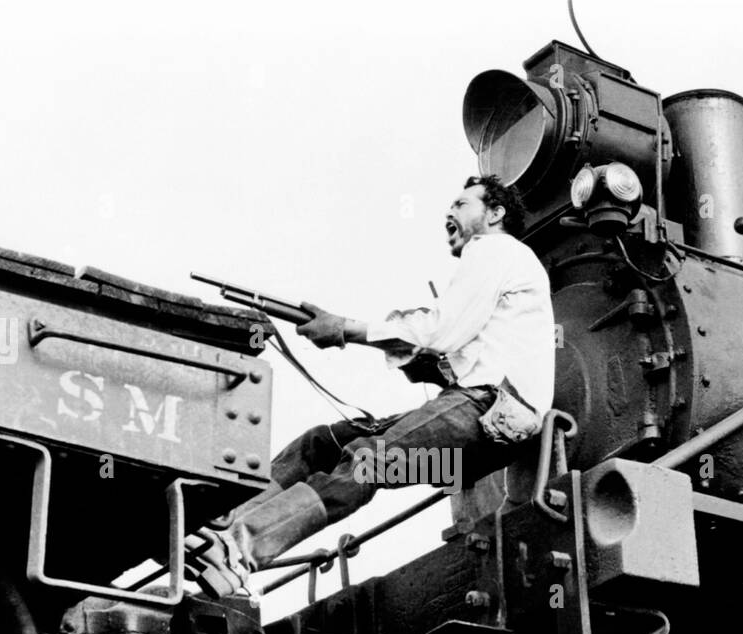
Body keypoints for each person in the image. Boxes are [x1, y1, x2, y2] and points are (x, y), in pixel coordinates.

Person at [189, 174, 555, 598]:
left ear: (495, 213)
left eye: (461, 204)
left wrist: (343, 329)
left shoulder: (494, 249)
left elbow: (438, 330)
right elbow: (455, 350)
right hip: (468, 452)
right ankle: (219, 527)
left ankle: (237, 550)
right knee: (324, 443)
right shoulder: (504, 273)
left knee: (367, 460)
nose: (448, 213)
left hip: (487, 412)